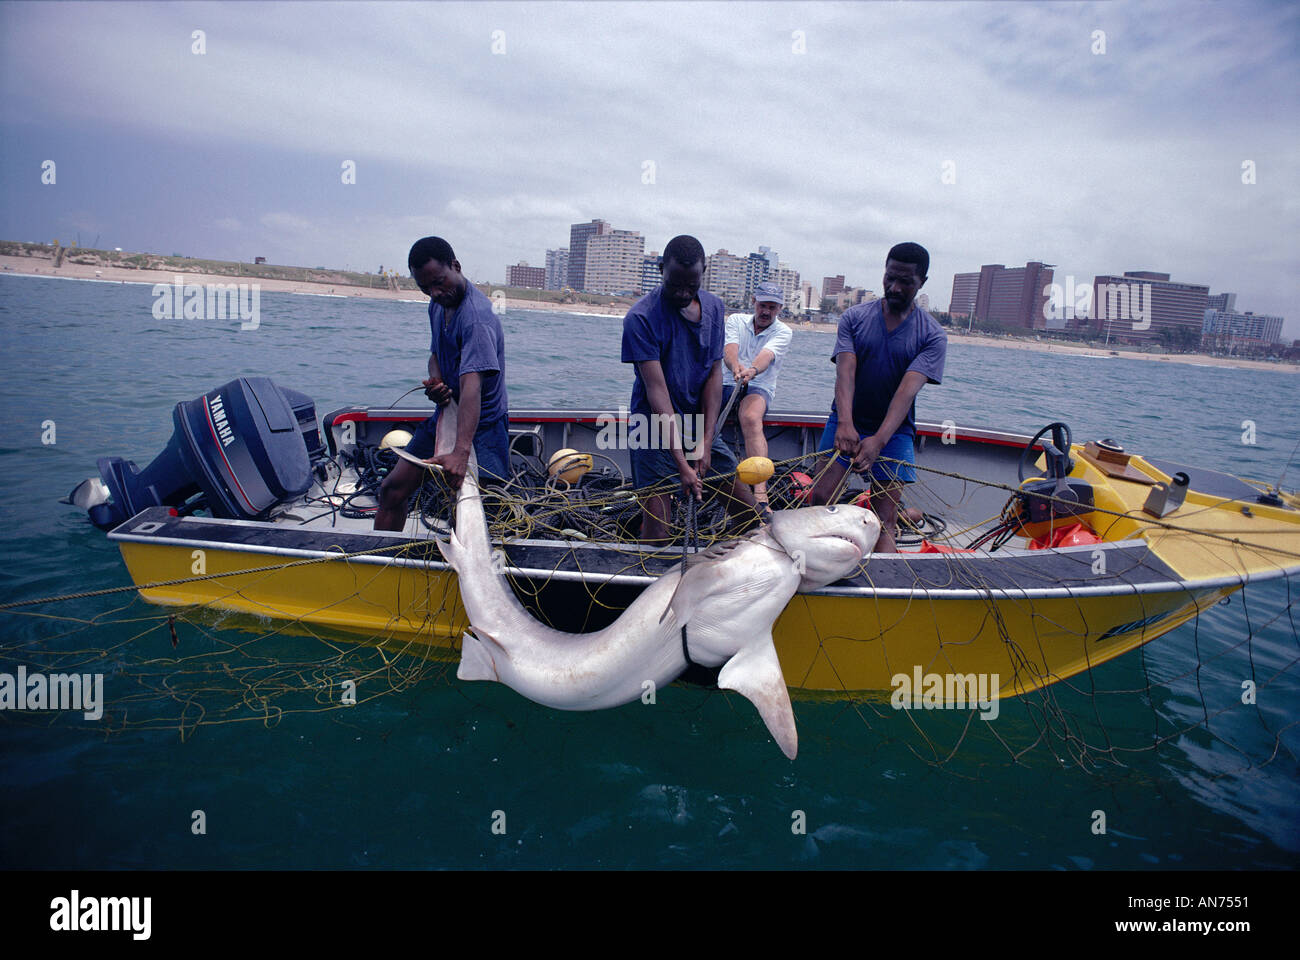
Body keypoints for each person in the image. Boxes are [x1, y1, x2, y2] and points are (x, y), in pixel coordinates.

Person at [621, 235, 758, 543]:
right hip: (653, 426)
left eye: (691, 285)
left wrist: (706, 444)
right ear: (660, 270)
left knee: (750, 514)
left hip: (698, 425)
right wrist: (682, 463)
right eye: (675, 285)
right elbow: (657, 392)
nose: (683, 293)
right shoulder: (640, 318)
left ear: (703, 272)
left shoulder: (714, 308)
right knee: (659, 532)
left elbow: (713, 375)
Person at [810, 242, 945, 553]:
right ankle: (824, 564)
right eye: (889, 278)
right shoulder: (854, 318)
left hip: (894, 432)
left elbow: (906, 391)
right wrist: (845, 424)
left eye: (906, 282)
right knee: (820, 499)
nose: (894, 288)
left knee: (885, 518)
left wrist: (879, 440)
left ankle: (885, 588)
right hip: (845, 420)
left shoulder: (932, 335)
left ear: (921, 282)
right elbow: (845, 372)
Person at [374, 236, 508, 531]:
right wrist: (436, 381)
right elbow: (436, 354)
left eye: (439, 282)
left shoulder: (476, 318)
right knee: (391, 491)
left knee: (471, 520)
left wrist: (461, 453)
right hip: (446, 413)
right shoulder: (437, 304)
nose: (435, 292)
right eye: (425, 288)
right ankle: (381, 559)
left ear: (456, 266)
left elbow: (472, 385)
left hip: (483, 425)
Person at [722, 280, 793, 514]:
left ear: (780, 309)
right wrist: (735, 367)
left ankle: (760, 493)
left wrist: (751, 371)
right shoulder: (735, 320)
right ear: (754, 302)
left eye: (772, 307)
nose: (766, 311)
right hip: (727, 380)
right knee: (698, 414)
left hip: (759, 384)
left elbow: (766, 356)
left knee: (751, 417)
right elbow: (729, 349)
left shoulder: (783, 331)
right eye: (763, 305)